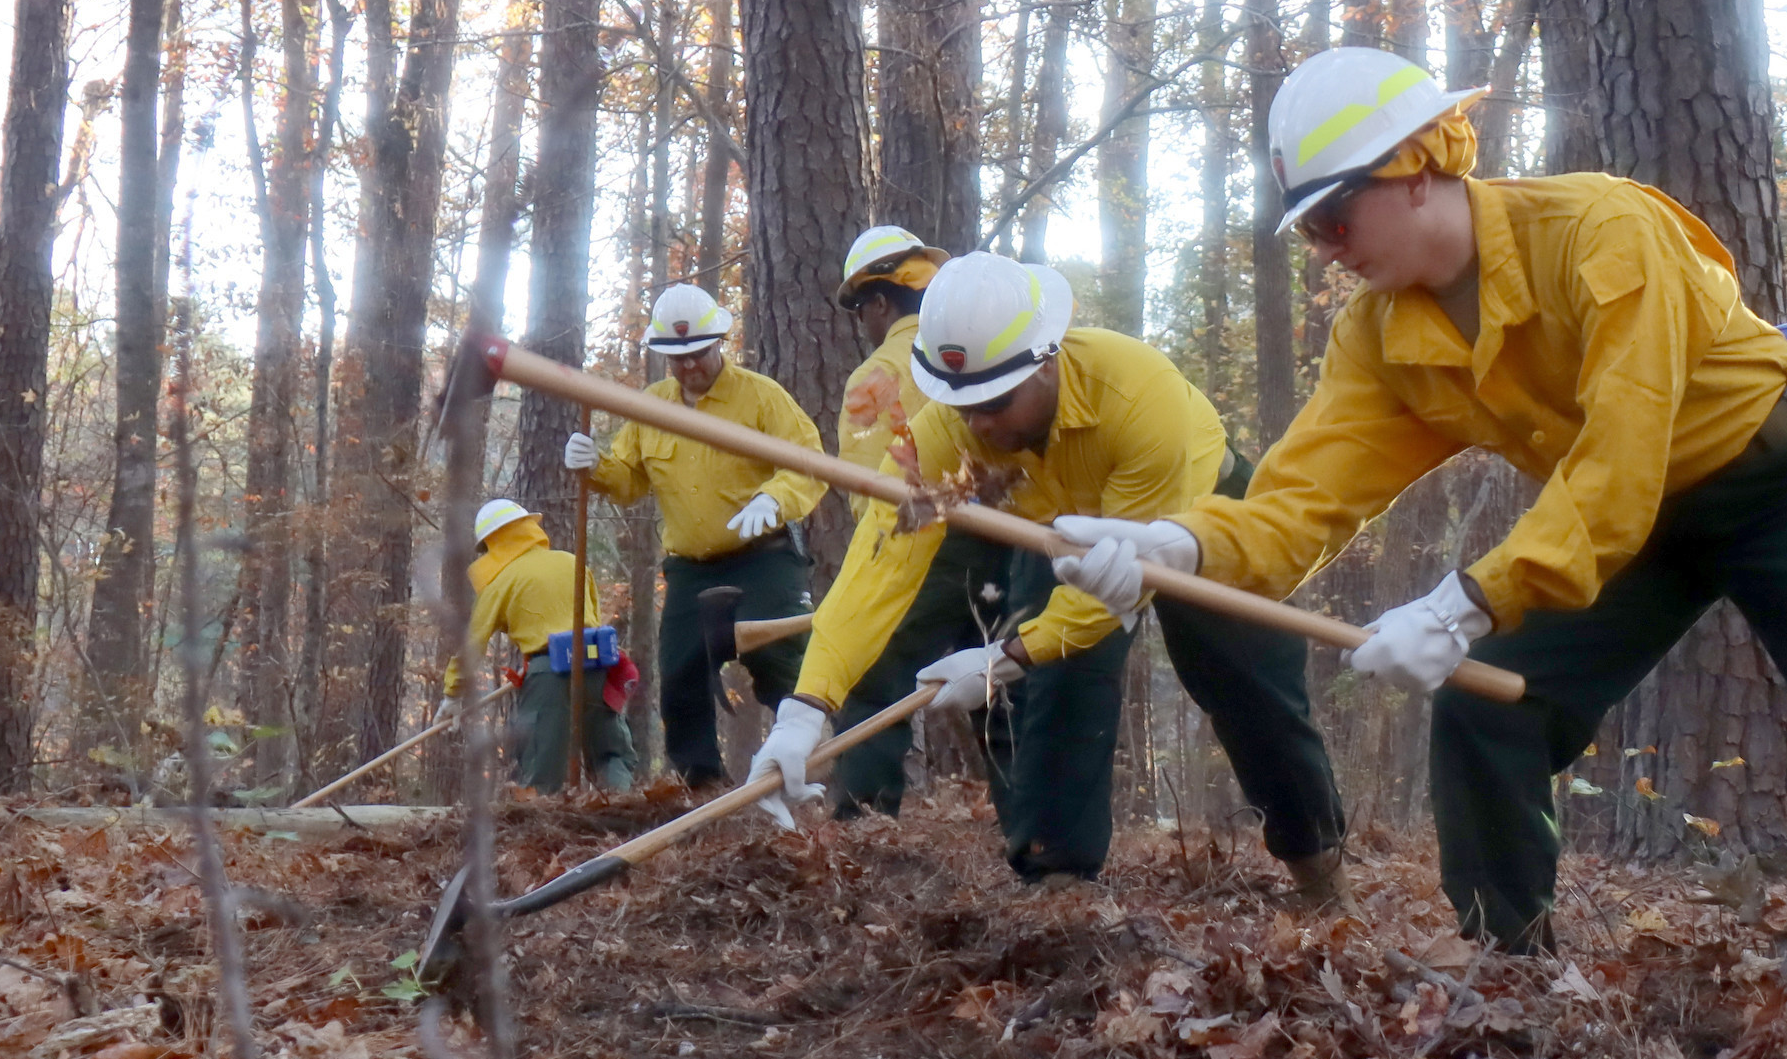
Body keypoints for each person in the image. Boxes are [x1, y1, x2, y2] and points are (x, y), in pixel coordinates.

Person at [1049, 45, 1787, 998]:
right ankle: (1509, 986)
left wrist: (1471, 598)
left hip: (1784, 478)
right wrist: (1178, 546)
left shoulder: (1604, 231)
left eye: (1336, 213)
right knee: (1488, 708)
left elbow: (1619, 458)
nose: (1325, 245)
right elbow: (1299, 503)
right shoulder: (1382, 340)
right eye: (1310, 226)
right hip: (1635, 522)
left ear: (1419, 168)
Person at [746, 251, 1351, 901]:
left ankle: (1319, 872)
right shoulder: (946, 432)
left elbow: (1124, 587)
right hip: (1055, 525)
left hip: (1194, 513)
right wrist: (805, 711)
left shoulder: (1139, 396)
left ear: (1046, 358)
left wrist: (1007, 654)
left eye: (995, 401)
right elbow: (879, 568)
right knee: (1057, 688)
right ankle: (1061, 885)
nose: (976, 423)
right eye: (960, 402)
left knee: (1249, 685)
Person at [565, 284, 826, 786]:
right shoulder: (652, 407)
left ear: (720, 343)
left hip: (763, 558)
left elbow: (808, 464)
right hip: (690, 568)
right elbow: (628, 479)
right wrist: (595, 465)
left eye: (699, 354)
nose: (689, 367)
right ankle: (700, 789)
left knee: (783, 663)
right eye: (677, 358)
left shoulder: (761, 397)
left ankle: (810, 768)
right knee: (682, 674)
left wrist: (775, 499)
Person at [826, 226, 1003, 817]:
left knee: (875, 675)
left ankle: (861, 824)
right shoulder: (978, 350)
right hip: (1002, 544)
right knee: (1003, 675)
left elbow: (869, 495)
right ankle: (1035, 825)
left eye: (862, 312)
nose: (864, 325)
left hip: (921, 551)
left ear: (880, 302)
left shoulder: (872, 380)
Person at [437, 498, 636, 793]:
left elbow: (473, 643)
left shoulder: (500, 582)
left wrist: (453, 694)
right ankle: (626, 815)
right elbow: (590, 615)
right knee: (610, 752)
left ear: (491, 544)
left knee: (541, 765)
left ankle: (542, 834)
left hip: (548, 674)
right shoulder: (572, 561)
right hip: (597, 662)